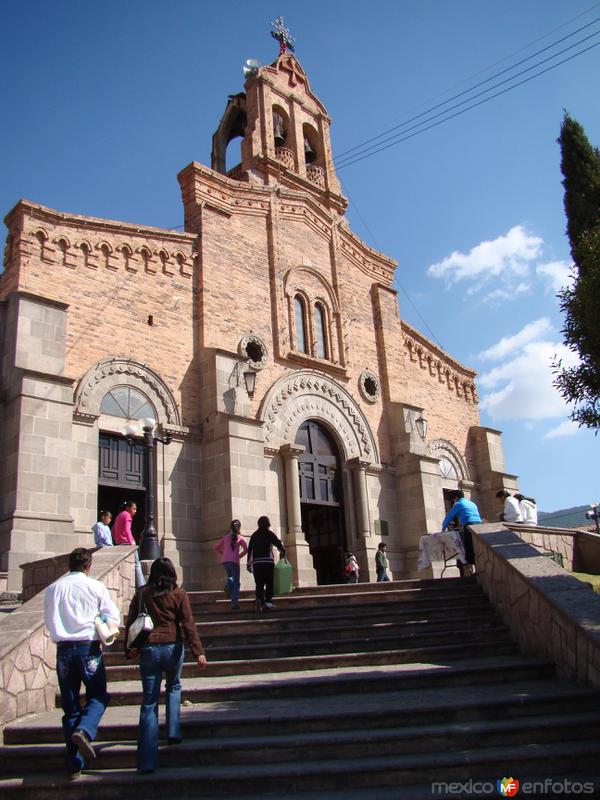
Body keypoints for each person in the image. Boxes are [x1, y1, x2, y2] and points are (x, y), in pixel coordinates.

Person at [125, 557, 207, 775]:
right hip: (172, 646)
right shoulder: (179, 594)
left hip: (149, 648)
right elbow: (188, 624)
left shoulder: (143, 593)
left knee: (149, 701)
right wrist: (198, 651)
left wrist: (130, 648)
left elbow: (131, 622)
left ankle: (146, 761)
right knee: (173, 686)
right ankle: (173, 732)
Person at [44, 547, 120, 779]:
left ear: (69, 565)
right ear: (88, 566)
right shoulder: (95, 586)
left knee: (70, 707)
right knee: (98, 695)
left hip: (64, 650)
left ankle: (74, 764)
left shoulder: (54, 589)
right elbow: (112, 615)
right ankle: (85, 730)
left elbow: (49, 620)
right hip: (88, 648)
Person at [247, 516, 285, 612]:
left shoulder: (254, 535)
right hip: (268, 561)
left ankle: (260, 600)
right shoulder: (269, 533)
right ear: (268, 524)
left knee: (259, 583)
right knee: (269, 582)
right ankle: (268, 601)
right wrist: (282, 552)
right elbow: (278, 544)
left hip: (257, 562)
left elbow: (250, 549)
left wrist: (248, 563)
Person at [441, 491, 483, 576]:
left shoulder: (458, 504)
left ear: (456, 498)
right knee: (476, 547)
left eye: (454, 499)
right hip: (479, 525)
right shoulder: (472, 503)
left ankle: (475, 571)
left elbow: (449, 516)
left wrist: (443, 528)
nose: (454, 501)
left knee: (469, 547)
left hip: (469, 525)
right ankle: (478, 569)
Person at [214, 519, 248, 610]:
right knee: (236, 582)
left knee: (231, 577)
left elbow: (216, 547)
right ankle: (234, 603)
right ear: (239, 527)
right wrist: (239, 556)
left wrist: (223, 554)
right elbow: (246, 550)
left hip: (225, 561)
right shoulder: (240, 538)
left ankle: (228, 584)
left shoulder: (226, 537)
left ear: (231, 527)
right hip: (234, 561)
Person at [112, 500, 145, 587]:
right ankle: (142, 585)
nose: (135, 511)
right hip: (127, 543)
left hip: (119, 543)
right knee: (137, 564)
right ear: (128, 508)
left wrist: (116, 541)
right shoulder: (127, 515)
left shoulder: (119, 515)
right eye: (134, 509)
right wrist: (131, 543)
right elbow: (127, 530)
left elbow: (113, 530)